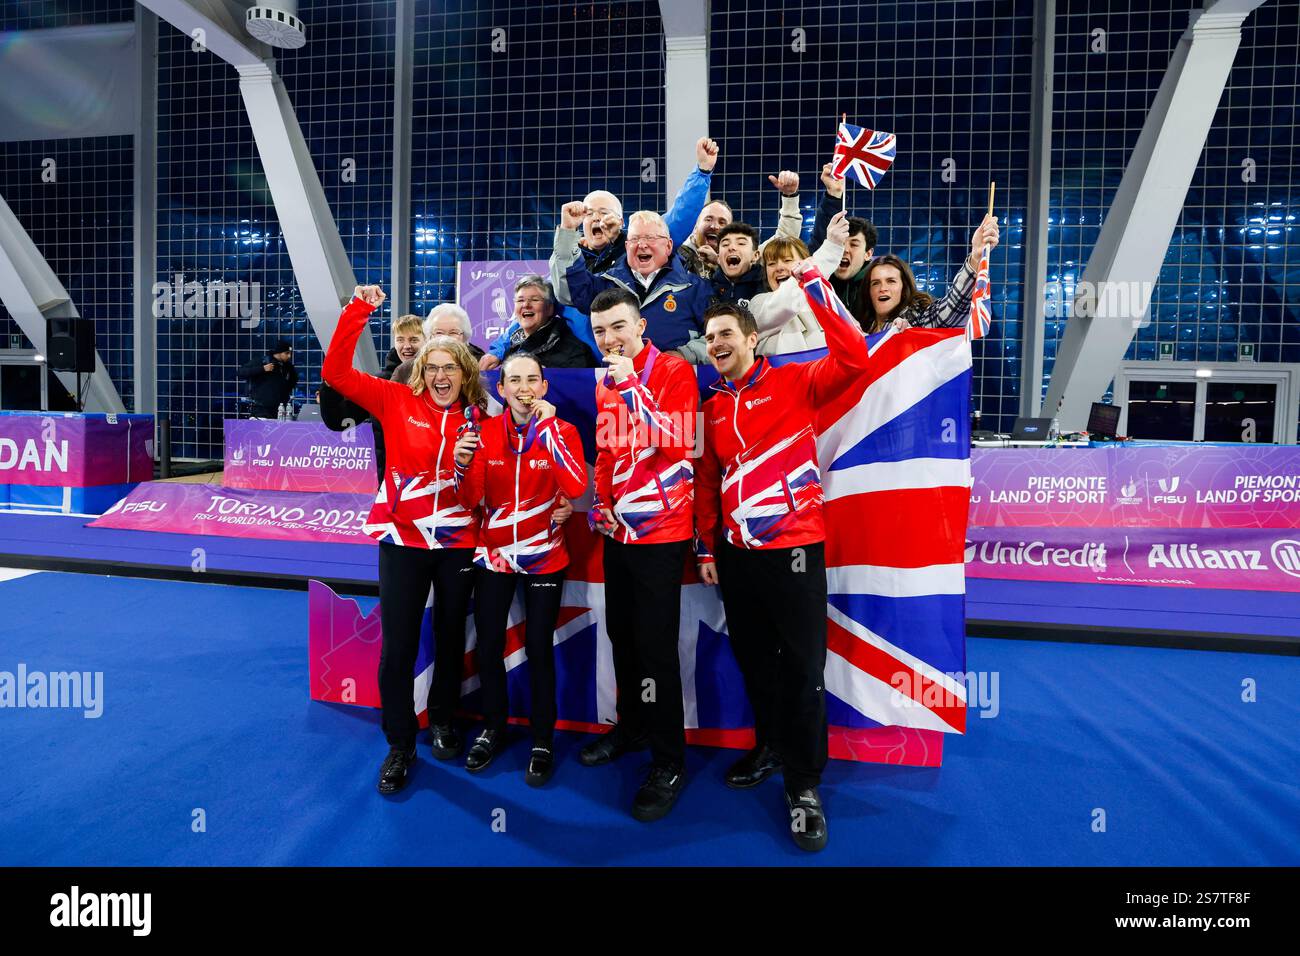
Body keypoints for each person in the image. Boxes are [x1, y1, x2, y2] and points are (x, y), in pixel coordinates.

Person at [693, 270, 872, 853]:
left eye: (726, 334)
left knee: (801, 670)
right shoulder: (711, 403)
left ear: (753, 339)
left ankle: (804, 783)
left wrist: (816, 288)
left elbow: (855, 358)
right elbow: (706, 479)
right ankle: (769, 745)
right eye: (710, 336)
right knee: (754, 661)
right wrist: (705, 543)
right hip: (736, 557)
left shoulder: (795, 380)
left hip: (794, 551)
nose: (716, 344)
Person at [322, 284, 487, 796]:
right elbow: (336, 375)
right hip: (403, 540)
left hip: (459, 542)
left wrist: (466, 466)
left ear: (465, 374)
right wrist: (358, 310)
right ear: (420, 370)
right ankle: (399, 743)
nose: (440, 376)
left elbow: (484, 490)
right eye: (433, 367)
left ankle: (442, 720)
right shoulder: (395, 399)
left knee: (449, 636)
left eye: (450, 368)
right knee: (397, 647)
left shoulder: (480, 416)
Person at [579, 287, 699, 822]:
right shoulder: (605, 377)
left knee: (655, 647)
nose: (610, 339)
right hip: (618, 532)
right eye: (600, 331)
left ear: (641, 327)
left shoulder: (673, 370)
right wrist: (600, 501)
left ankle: (669, 760)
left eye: (618, 328)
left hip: (663, 533)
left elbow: (681, 443)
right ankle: (630, 728)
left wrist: (630, 387)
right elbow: (607, 449)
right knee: (621, 636)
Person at [451, 353, 588, 786]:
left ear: (544, 388)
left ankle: (542, 739)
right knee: (489, 644)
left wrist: (547, 430)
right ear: (502, 388)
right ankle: (493, 727)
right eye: (515, 381)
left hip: (544, 554)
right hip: (493, 555)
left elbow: (577, 488)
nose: (525, 387)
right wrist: (461, 464)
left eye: (533, 380)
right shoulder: (486, 433)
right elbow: (470, 500)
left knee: (538, 646)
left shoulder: (562, 430)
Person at [484, 137, 721, 365]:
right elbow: (534, 310)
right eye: (589, 214)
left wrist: (701, 173)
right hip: (588, 372)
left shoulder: (636, 250)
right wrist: (500, 348)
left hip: (655, 369)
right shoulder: (568, 267)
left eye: (604, 212)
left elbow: (679, 217)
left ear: (620, 222)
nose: (597, 218)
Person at [551, 210, 712, 353]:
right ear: (627, 246)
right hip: (620, 381)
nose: (642, 245)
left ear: (669, 246)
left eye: (650, 237)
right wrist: (568, 232)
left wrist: (684, 355)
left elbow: (721, 335)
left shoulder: (696, 288)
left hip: (677, 381)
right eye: (635, 239)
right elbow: (569, 291)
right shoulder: (606, 285)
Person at [856, 215, 1000, 334]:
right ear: (868, 292)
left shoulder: (920, 322)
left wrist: (975, 258)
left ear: (903, 288)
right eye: (875, 283)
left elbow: (952, 308)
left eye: (891, 281)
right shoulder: (858, 328)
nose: (883, 288)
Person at [320, 314, 423, 480]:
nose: (407, 346)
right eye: (400, 340)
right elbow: (339, 420)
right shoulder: (381, 382)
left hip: (432, 483)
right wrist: (330, 387)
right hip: (390, 484)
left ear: (426, 341)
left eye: (414, 340)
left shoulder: (438, 383)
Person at [750, 211, 851, 355]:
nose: (779, 268)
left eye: (787, 260)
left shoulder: (827, 299)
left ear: (805, 261)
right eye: (771, 263)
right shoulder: (758, 305)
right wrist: (830, 249)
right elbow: (786, 301)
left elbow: (857, 337)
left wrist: (893, 331)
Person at [677, 171, 804, 278]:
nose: (714, 226)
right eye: (708, 219)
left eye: (722, 222)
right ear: (695, 227)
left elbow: (784, 238)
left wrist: (790, 196)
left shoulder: (747, 257)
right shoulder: (675, 256)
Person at [808, 164, 879, 310]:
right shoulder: (820, 279)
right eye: (841, 243)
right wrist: (834, 195)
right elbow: (820, 240)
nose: (844, 250)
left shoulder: (877, 286)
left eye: (854, 244)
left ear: (868, 254)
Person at [493, 276, 597, 369]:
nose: (526, 305)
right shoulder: (510, 347)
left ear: (550, 308)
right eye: (520, 300)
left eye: (534, 300)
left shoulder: (574, 352)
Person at [238, 339, 297, 419]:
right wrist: (263, 369)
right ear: (278, 353)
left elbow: (293, 381)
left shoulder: (288, 367)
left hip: (280, 409)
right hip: (261, 409)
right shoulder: (262, 362)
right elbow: (240, 372)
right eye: (287, 353)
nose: (289, 356)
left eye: (290, 353)